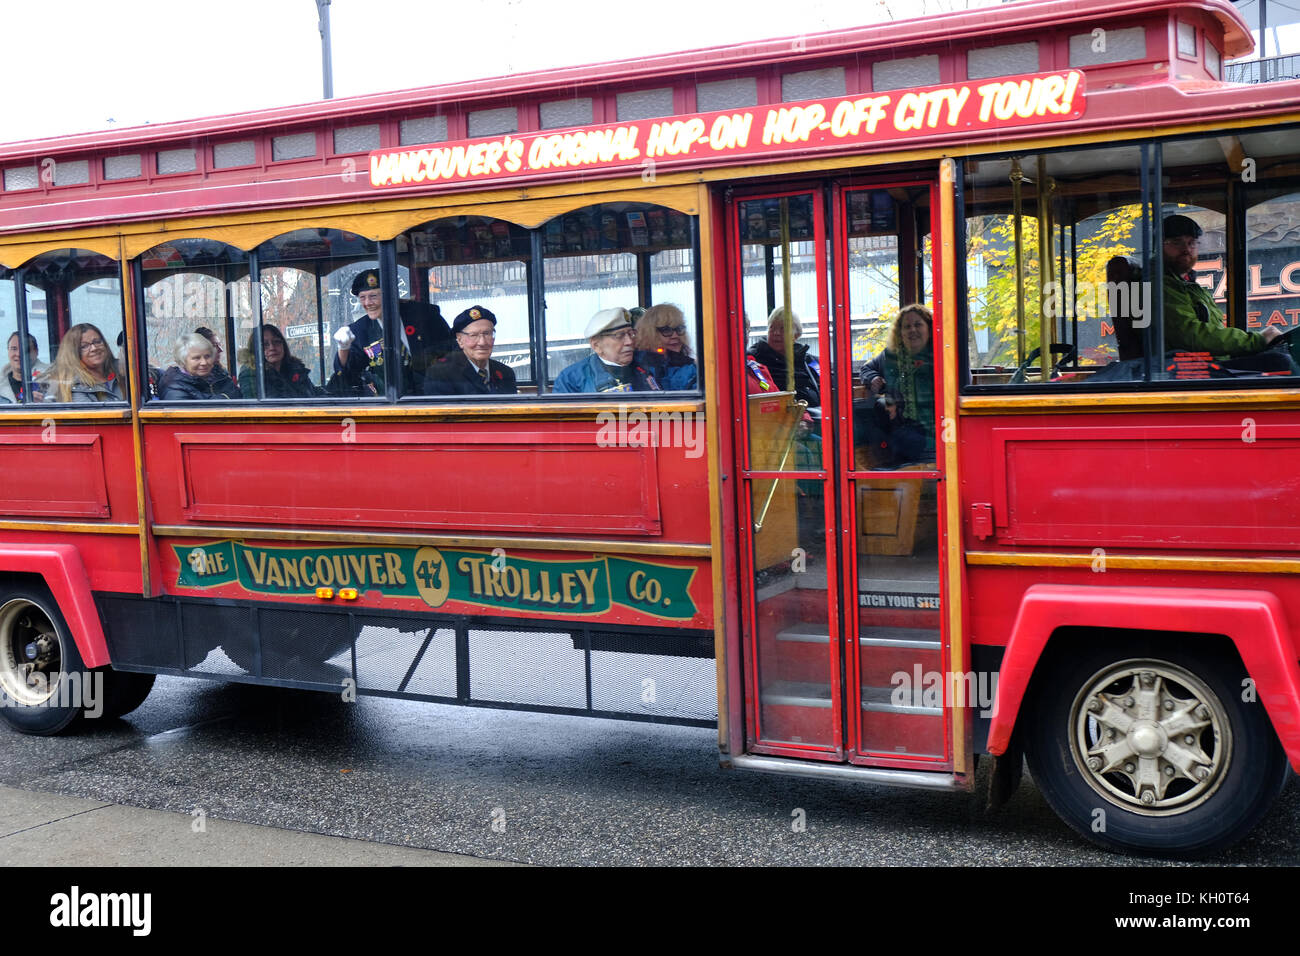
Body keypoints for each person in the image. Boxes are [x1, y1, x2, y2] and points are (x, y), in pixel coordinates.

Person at [1162, 214, 1292, 372]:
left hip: (1200, 366)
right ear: (1159, 245)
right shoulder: (1159, 286)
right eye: (1177, 243)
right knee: (1279, 362)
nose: (1186, 250)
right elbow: (1191, 335)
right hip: (1183, 370)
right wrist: (1256, 340)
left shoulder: (1187, 285)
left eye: (1191, 243)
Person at [331, 268, 453, 395]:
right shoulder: (360, 330)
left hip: (435, 398)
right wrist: (343, 347)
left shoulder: (424, 315)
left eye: (373, 296)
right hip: (391, 403)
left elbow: (451, 350)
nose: (368, 303)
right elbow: (346, 375)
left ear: (390, 295)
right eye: (362, 298)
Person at [857, 304, 936, 465]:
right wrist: (873, 379)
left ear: (929, 327)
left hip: (935, 430)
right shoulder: (891, 356)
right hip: (901, 428)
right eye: (906, 326)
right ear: (900, 333)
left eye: (918, 324)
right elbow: (866, 369)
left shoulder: (941, 353)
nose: (912, 330)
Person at [552, 307, 663, 393]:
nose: (629, 341)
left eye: (631, 334)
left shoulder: (650, 364)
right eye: (619, 335)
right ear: (596, 345)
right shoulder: (571, 379)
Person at [423, 305, 518, 395]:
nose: (482, 342)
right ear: (459, 340)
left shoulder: (506, 373)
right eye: (473, 335)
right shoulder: (440, 374)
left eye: (487, 334)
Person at [748, 307, 820, 407]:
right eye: (772, 328)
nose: (776, 333)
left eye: (782, 329)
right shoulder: (754, 361)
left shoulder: (809, 360)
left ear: (796, 335)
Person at [45, 323, 124, 403]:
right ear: (74, 353)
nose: (94, 348)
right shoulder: (75, 385)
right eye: (84, 346)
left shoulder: (122, 370)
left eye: (97, 342)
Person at [238, 325, 322, 398]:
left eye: (276, 342)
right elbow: (257, 410)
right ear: (255, 350)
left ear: (283, 345)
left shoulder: (295, 369)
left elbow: (314, 395)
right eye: (265, 344)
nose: (272, 348)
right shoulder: (250, 373)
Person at [158, 332, 242, 400]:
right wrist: (225, 398)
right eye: (196, 358)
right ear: (183, 361)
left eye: (207, 356)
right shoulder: (174, 388)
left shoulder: (219, 375)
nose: (204, 362)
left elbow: (239, 398)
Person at [635, 303, 696, 390]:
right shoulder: (636, 366)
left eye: (679, 329)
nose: (675, 335)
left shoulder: (691, 368)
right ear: (649, 333)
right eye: (667, 330)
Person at [2, 331, 48, 403]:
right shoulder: (1, 383)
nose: (18, 354)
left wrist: (43, 402)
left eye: (25, 349)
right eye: (14, 349)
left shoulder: (51, 379)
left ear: (36, 352)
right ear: (8, 351)